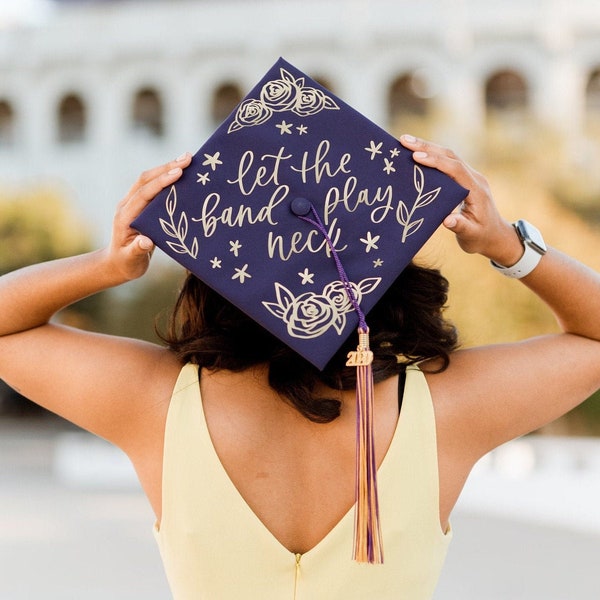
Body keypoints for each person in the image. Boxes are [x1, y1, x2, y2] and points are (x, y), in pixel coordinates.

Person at [1, 135, 599, 600]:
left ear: (214, 267)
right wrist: (507, 244)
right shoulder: (449, 409)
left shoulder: (154, 401)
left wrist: (108, 265)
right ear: (388, 269)